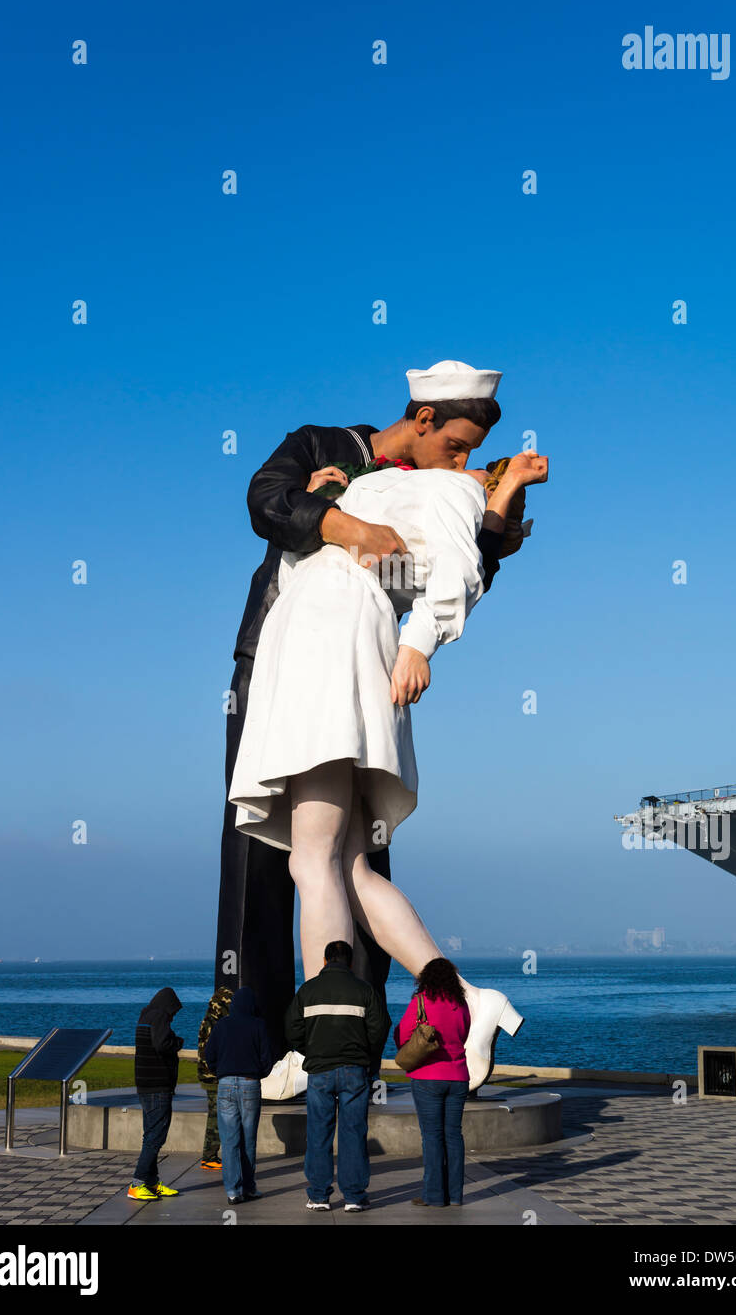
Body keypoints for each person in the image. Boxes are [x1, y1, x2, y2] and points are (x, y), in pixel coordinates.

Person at [230, 362, 547, 1088]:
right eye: (458, 446)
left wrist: (417, 645)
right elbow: (278, 506)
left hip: (325, 635)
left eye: (476, 459)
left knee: (311, 861)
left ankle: (321, 1048)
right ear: (426, 421)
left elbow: (459, 571)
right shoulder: (383, 481)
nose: (462, 462)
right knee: (344, 863)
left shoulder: (442, 489)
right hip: (329, 633)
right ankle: (464, 999)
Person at [284, 940, 391, 1212]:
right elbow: (380, 1027)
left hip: (319, 1070)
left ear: (324, 961)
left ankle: (319, 1195)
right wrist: (365, 1053)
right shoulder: (364, 990)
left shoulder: (307, 991)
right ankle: (354, 1196)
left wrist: (312, 1050)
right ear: (350, 962)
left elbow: (291, 1028)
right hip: (354, 1070)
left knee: (318, 1132)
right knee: (353, 1132)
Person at [394, 958, 472, 1207]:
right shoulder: (460, 1004)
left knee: (432, 1137)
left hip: (428, 1076)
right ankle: (456, 1195)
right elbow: (465, 1032)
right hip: (458, 1076)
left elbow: (403, 1034)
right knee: (453, 1136)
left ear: (425, 978)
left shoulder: (421, 1001)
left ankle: (434, 1196)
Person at [204, 986, 274, 1204]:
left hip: (225, 1085)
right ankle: (249, 1187)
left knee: (230, 1140)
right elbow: (267, 1059)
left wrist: (222, 1073)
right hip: (250, 1084)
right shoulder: (258, 1025)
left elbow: (209, 1055)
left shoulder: (221, 1025)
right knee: (248, 1139)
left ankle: (232, 1191)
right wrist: (257, 1074)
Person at [128, 987, 183, 1201]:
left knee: (151, 1133)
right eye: (174, 1012)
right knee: (155, 1137)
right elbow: (162, 1044)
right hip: (158, 1085)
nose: (173, 1016)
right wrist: (178, 1042)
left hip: (145, 1085)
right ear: (168, 1006)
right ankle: (138, 1183)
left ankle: (151, 1182)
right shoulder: (160, 1017)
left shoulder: (145, 1016)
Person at [196, 984, 233, 1170]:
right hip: (213, 1076)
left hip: (208, 1074)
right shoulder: (216, 1023)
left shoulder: (209, 1019)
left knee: (216, 1115)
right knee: (215, 1118)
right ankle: (209, 1156)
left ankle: (211, 1155)